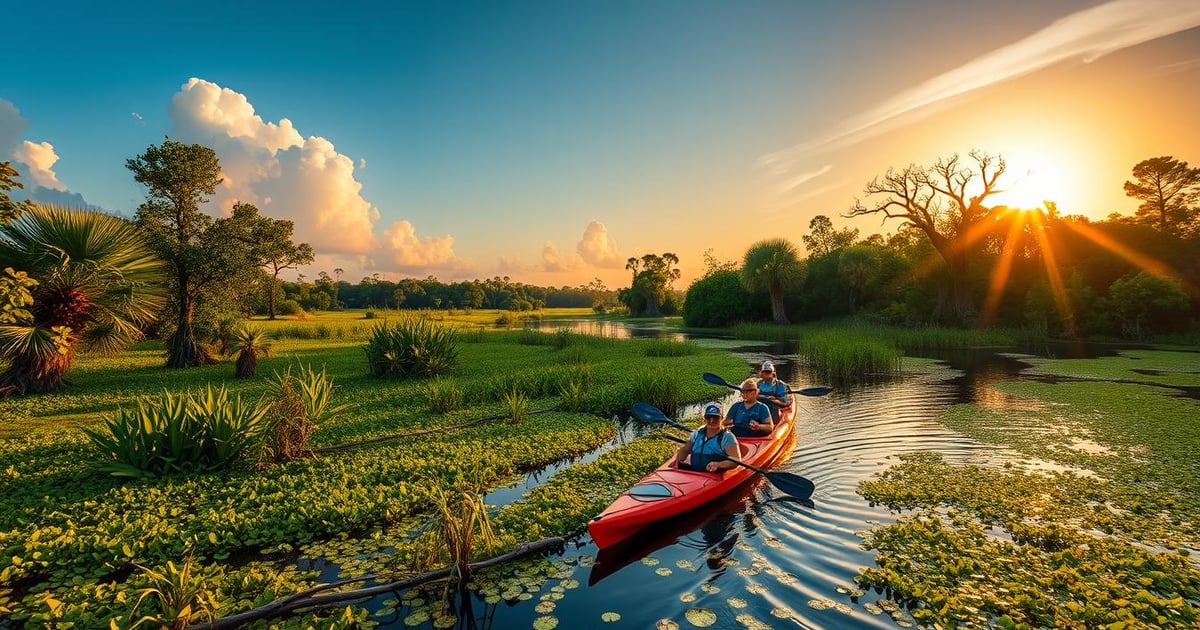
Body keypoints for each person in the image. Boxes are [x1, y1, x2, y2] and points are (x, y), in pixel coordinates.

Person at [675, 404, 740, 472]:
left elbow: (736, 460)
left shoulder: (727, 437)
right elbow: (685, 451)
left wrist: (718, 464)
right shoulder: (696, 434)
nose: (712, 420)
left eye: (716, 417)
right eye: (708, 417)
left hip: (713, 476)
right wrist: (677, 460)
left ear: (722, 418)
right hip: (694, 474)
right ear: (705, 418)